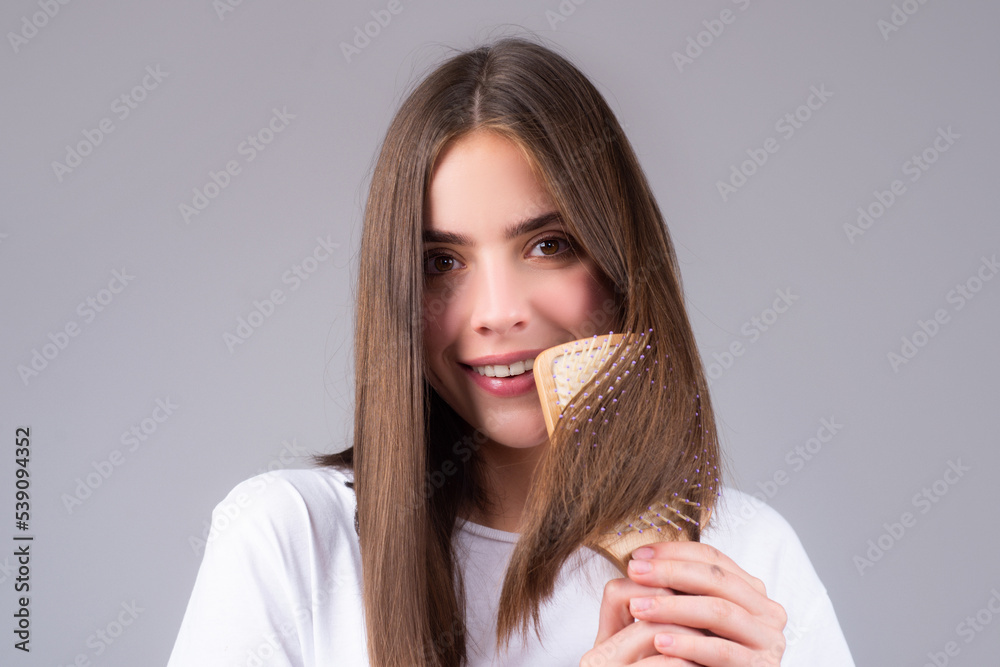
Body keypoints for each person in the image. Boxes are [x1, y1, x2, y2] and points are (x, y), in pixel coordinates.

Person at [167, 36, 855, 666]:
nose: (498, 313)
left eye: (548, 246)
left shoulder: (747, 555)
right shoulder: (290, 542)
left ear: (620, 263)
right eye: (442, 261)